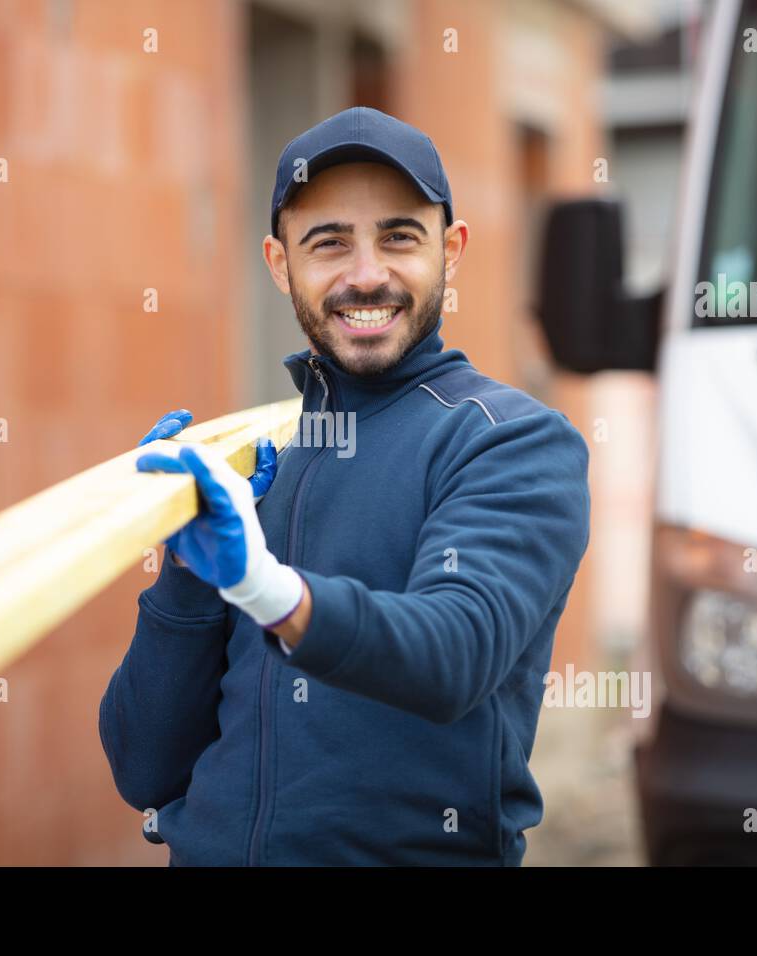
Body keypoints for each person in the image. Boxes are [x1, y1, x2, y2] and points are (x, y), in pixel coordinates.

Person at [99, 106, 591, 865]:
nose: (367, 275)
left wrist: (265, 586)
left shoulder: (507, 439)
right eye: (328, 243)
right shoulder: (265, 461)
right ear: (278, 261)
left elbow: (453, 650)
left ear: (451, 251)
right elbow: (145, 767)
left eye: (399, 236)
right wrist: (189, 576)